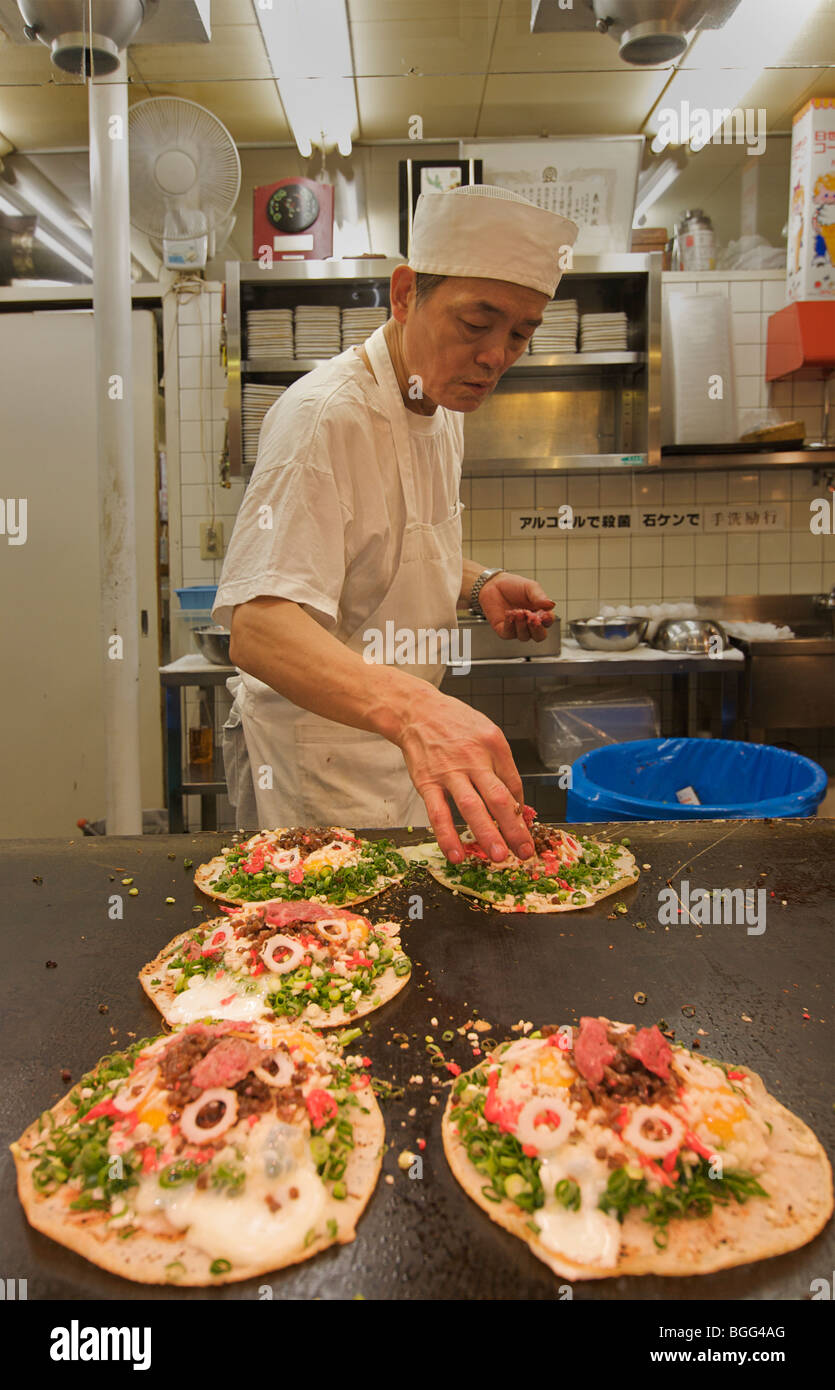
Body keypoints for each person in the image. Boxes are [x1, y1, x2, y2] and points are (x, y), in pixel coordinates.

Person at [213, 184, 578, 864]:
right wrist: (416, 712)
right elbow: (258, 628)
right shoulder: (325, 415)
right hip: (314, 758)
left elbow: (380, 549)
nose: (497, 355)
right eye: (477, 323)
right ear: (405, 293)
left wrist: (475, 586)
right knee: (325, 950)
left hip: (399, 753)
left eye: (520, 334)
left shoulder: (439, 411)